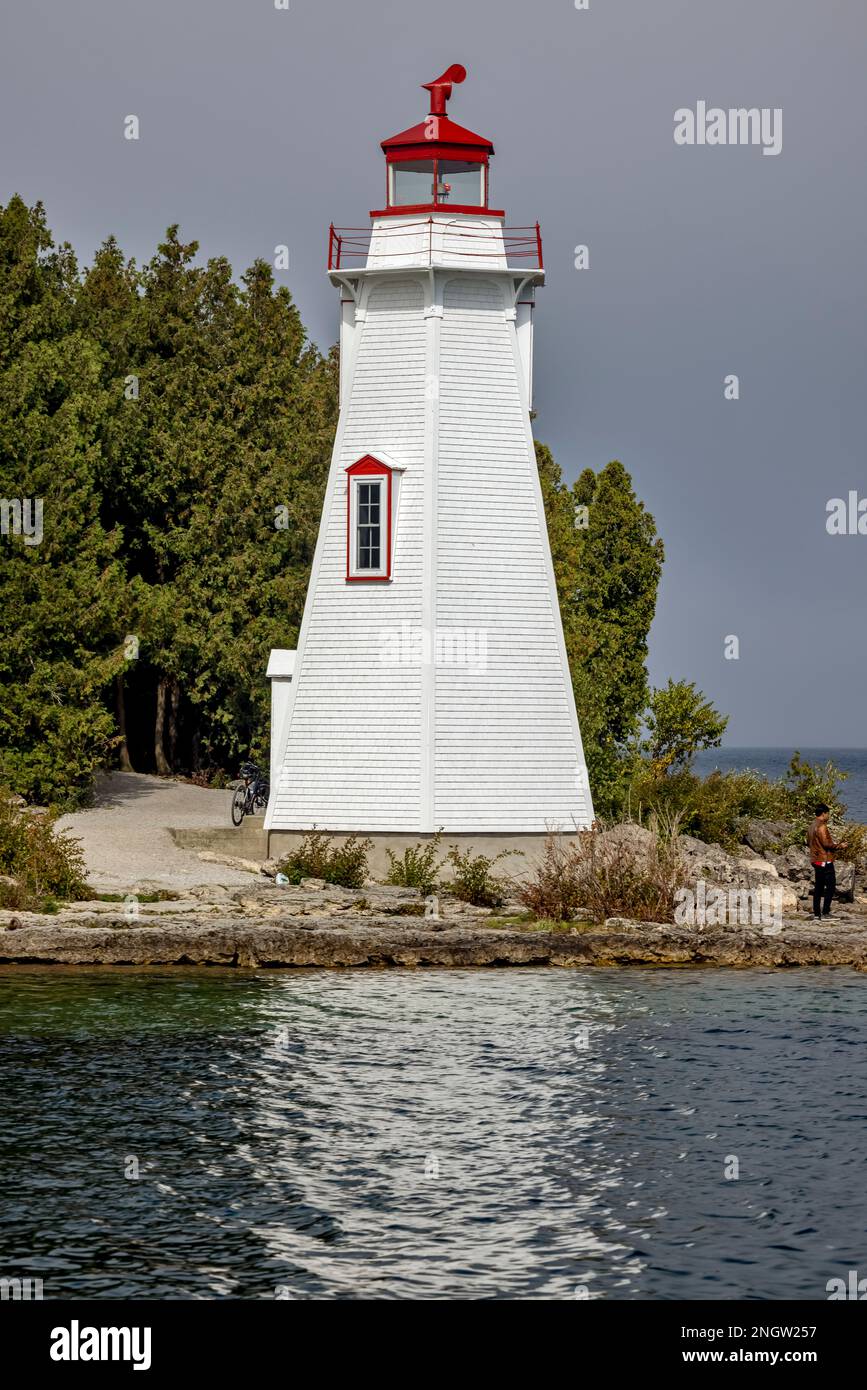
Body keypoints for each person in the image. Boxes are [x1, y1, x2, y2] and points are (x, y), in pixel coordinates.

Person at [808, 804, 847, 922]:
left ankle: (816, 914)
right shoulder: (821, 826)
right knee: (830, 886)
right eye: (828, 813)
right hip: (825, 860)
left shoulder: (811, 826)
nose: (828, 816)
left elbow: (808, 842)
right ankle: (825, 913)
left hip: (816, 860)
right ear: (824, 813)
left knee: (818, 888)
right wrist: (840, 846)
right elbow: (826, 844)